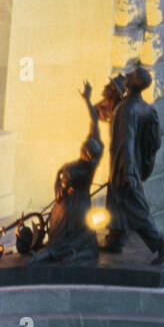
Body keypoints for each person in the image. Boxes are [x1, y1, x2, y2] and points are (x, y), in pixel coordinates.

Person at [104, 65, 164, 264]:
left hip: (125, 167)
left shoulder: (128, 109)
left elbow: (127, 140)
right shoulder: (145, 107)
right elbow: (154, 142)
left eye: (130, 76)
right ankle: (116, 240)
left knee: (137, 210)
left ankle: (162, 245)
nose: (126, 76)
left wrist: (128, 172)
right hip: (127, 166)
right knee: (116, 203)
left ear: (132, 84)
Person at [29, 79, 103, 264]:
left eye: (86, 150)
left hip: (69, 208)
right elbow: (94, 123)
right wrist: (87, 100)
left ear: (88, 153)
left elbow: (60, 189)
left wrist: (59, 180)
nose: (84, 150)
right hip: (78, 206)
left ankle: (48, 257)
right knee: (82, 242)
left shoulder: (79, 169)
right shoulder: (91, 162)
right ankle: (69, 254)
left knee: (60, 243)